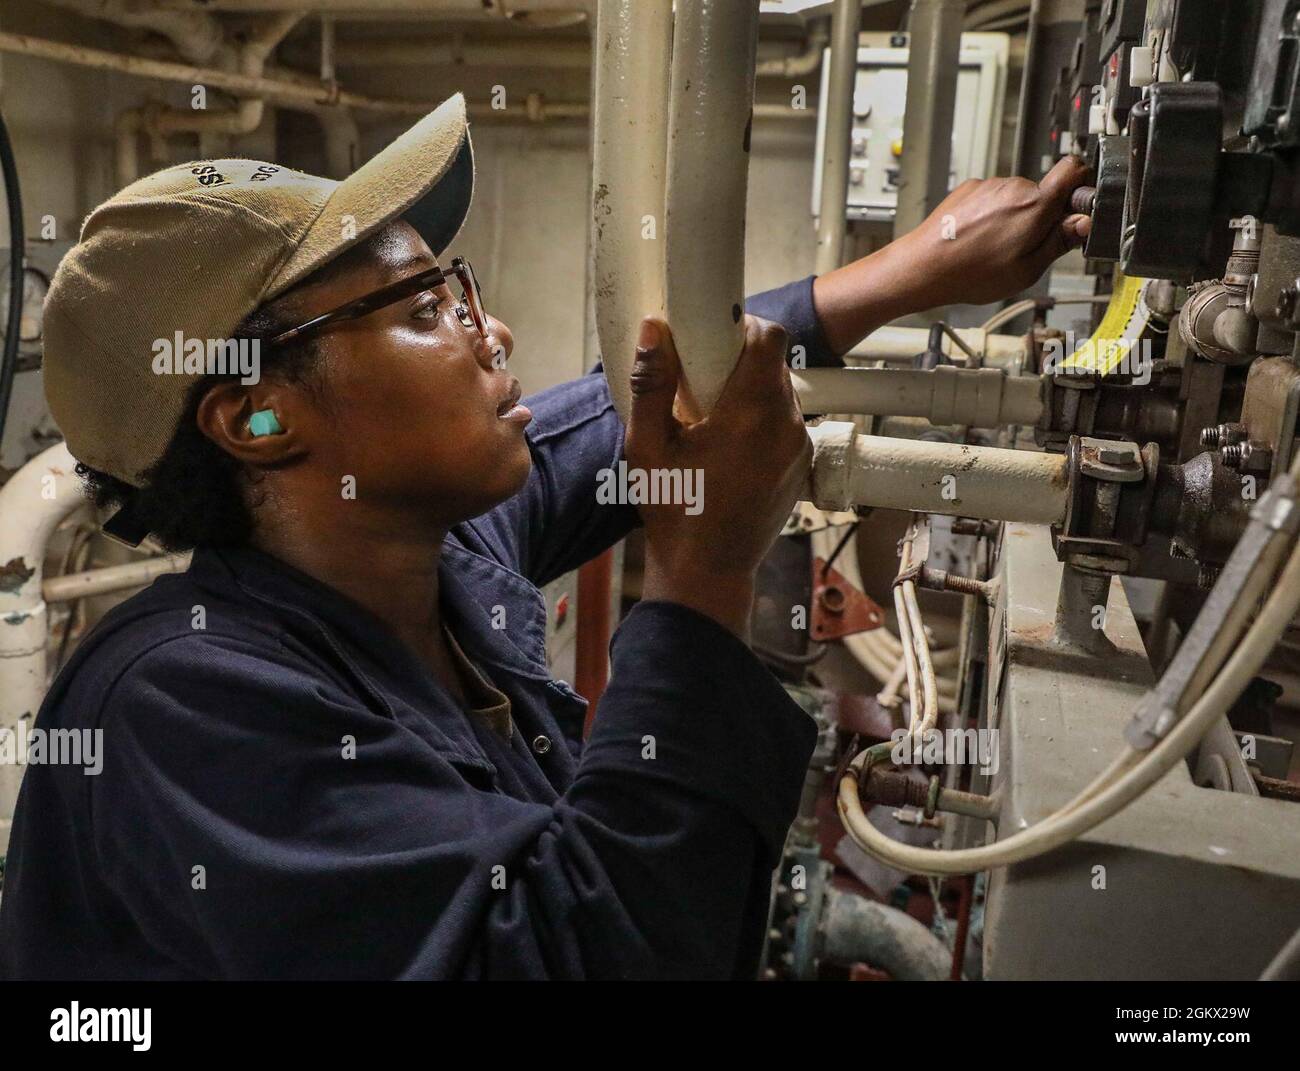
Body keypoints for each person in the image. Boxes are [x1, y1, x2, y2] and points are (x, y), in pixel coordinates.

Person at [0, 94, 1092, 979]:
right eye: (426, 310)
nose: (495, 331)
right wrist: (702, 570)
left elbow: (607, 427)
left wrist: (909, 271)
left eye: (455, 288)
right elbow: (570, 956)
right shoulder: (181, 705)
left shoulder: (422, 563)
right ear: (260, 417)